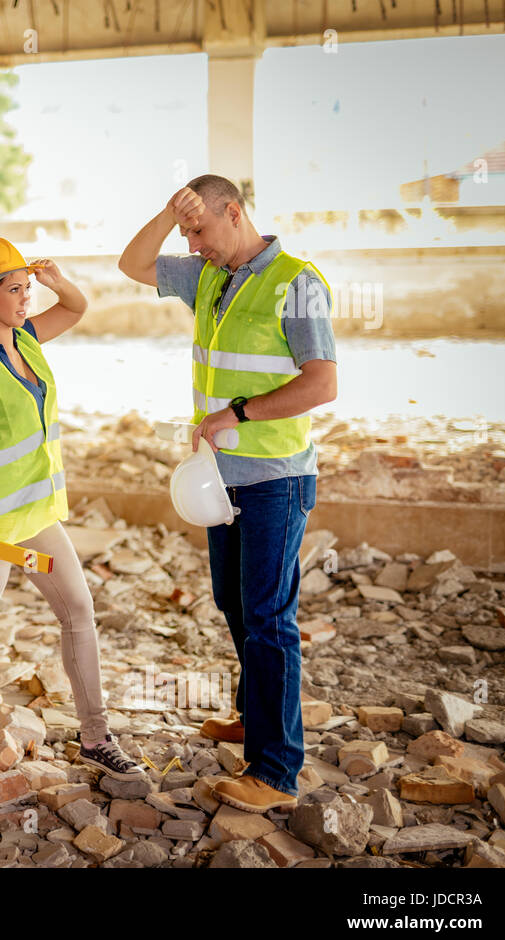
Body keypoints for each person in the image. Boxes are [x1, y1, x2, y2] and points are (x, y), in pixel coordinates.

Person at [118, 174, 338, 812]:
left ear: (234, 213)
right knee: (235, 605)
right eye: (187, 232)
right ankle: (256, 717)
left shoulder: (296, 282)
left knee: (270, 618)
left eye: (199, 228)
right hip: (224, 478)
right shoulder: (207, 276)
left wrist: (237, 414)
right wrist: (168, 213)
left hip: (274, 477)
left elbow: (321, 384)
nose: (193, 242)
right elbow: (131, 263)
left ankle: (274, 772)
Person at [0, 237, 147, 787]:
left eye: (28, 289)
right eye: (15, 290)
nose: (26, 299)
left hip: (36, 515)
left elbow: (78, 308)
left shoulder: (29, 340)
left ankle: (96, 736)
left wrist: (56, 279)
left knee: (79, 613)